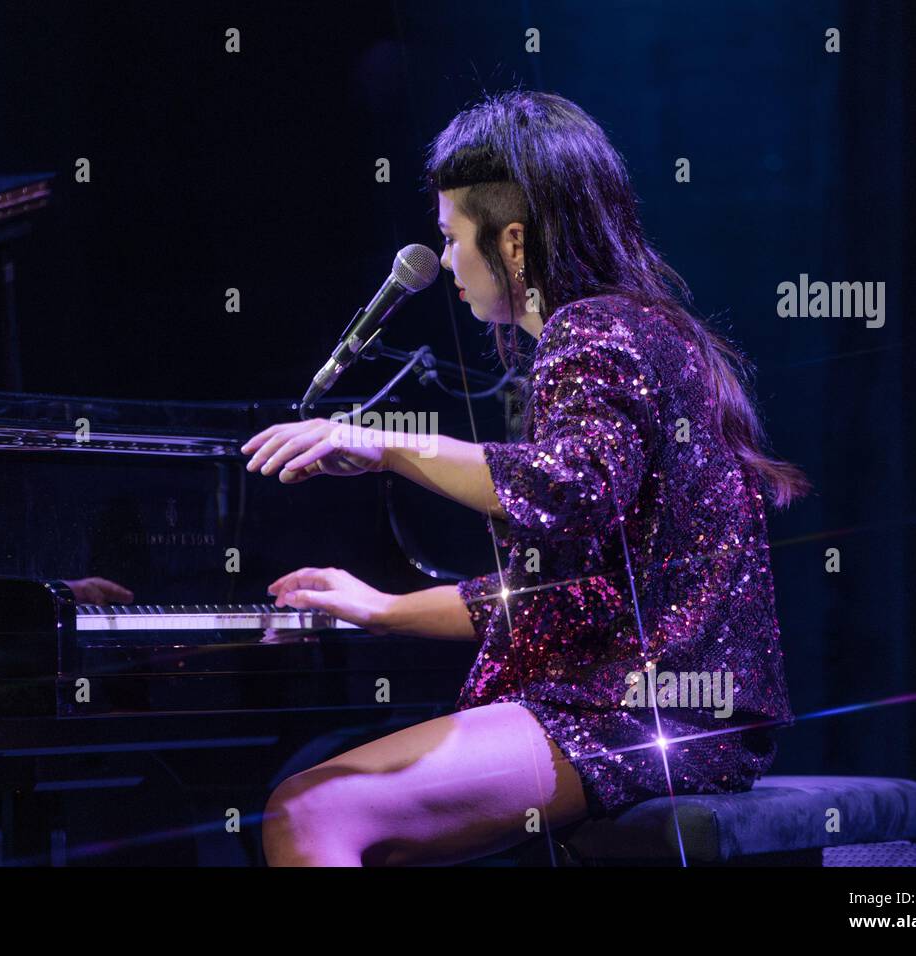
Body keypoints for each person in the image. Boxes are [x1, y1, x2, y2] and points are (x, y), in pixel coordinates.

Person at [241, 90, 810, 867]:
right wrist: (381, 609)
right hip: (678, 709)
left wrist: (379, 444)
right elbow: (576, 599)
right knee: (328, 798)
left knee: (313, 811)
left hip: (640, 716)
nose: (445, 264)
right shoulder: (640, 325)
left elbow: (566, 488)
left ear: (512, 242)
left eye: (451, 238)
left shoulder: (592, 330)